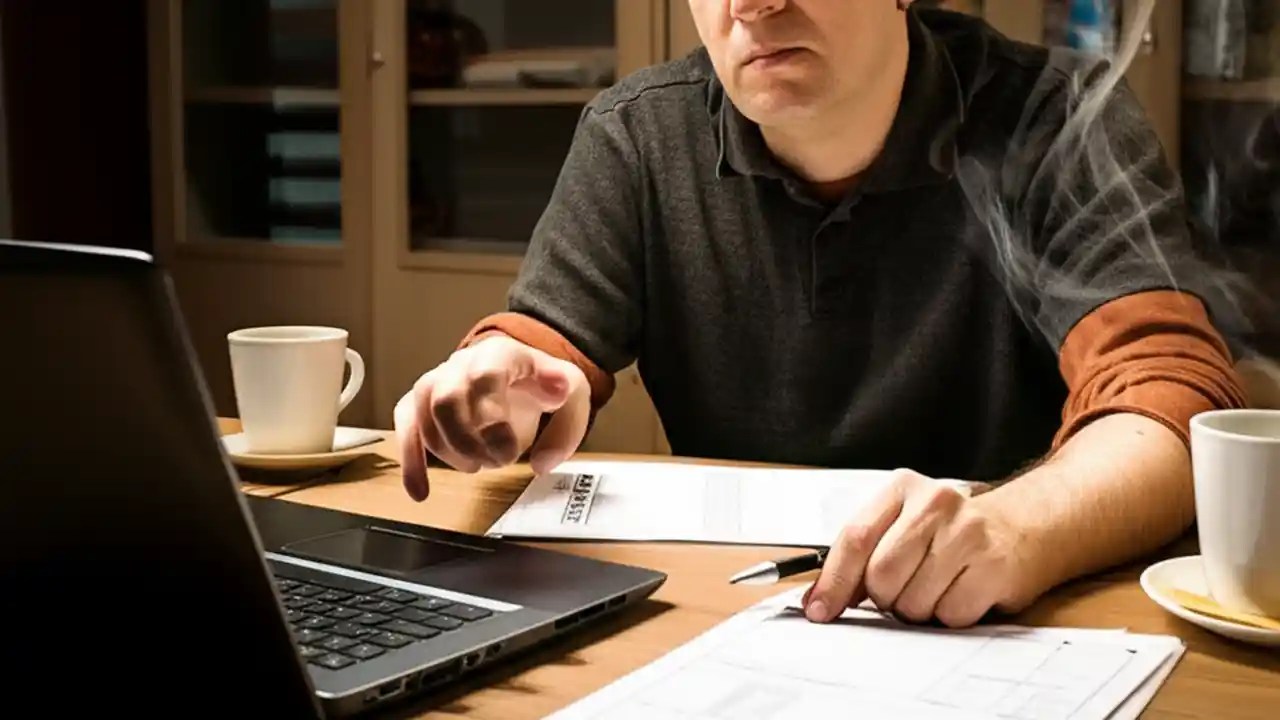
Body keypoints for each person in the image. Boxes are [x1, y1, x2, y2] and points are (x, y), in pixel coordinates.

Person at [393, 0, 1248, 628]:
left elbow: (1171, 407)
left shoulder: (1055, 115)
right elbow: (546, 347)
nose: (751, 6)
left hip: (1009, 625)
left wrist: (1020, 528)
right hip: (736, 618)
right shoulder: (639, 136)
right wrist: (500, 383)